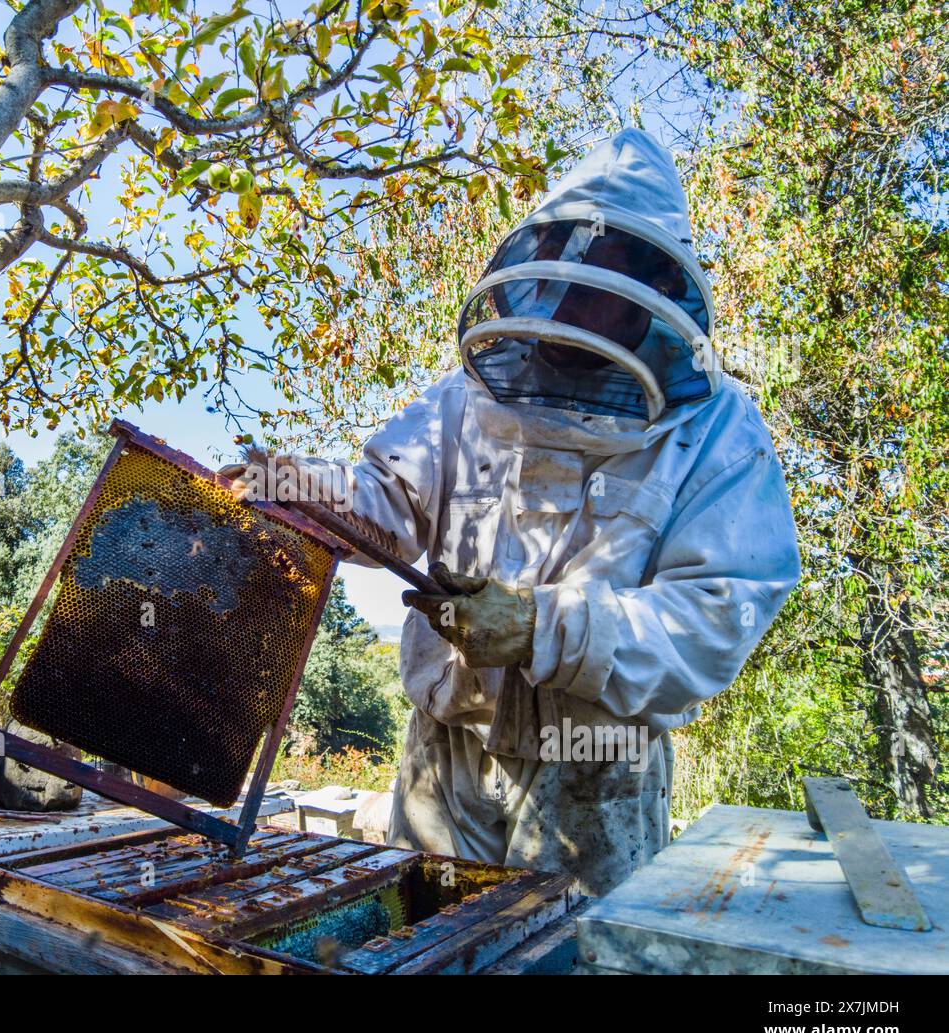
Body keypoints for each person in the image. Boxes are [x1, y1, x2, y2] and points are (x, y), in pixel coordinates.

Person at [231, 128, 801, 895]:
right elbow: (386, 503)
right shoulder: (470, 394)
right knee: (416, 940)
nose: (579, 304)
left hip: (595, 769)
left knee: (559, 958)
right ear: (544, 263)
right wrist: (307, 490)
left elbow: (715, 615)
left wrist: (544, 628)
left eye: (609, 284)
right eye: (572, 274)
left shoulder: (718, 431)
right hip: (446, 750)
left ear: (654, 288)